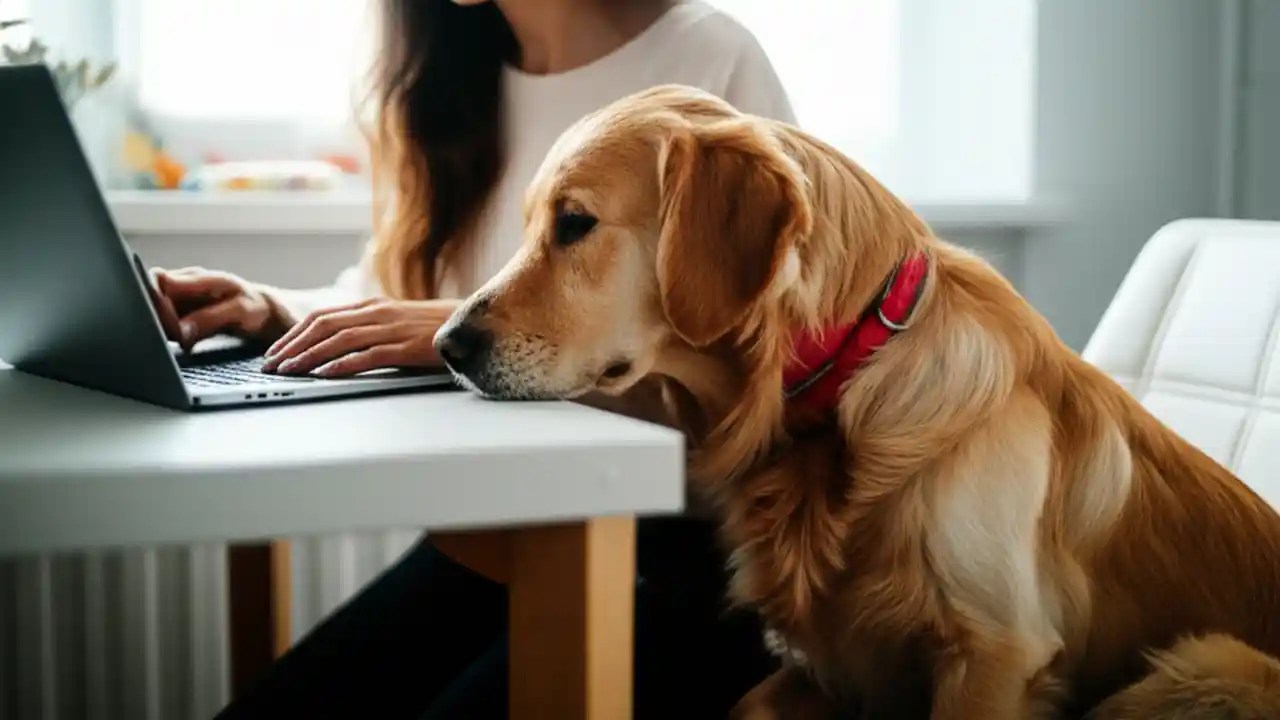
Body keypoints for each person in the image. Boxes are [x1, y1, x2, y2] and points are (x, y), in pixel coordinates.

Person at [163, 1, 796, 717]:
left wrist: (460, 329)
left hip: (688, 565)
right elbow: (391, 298)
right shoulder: (446, 81)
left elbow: (775, 370)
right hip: (494, 544)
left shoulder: (709, 58)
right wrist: (271, 306)